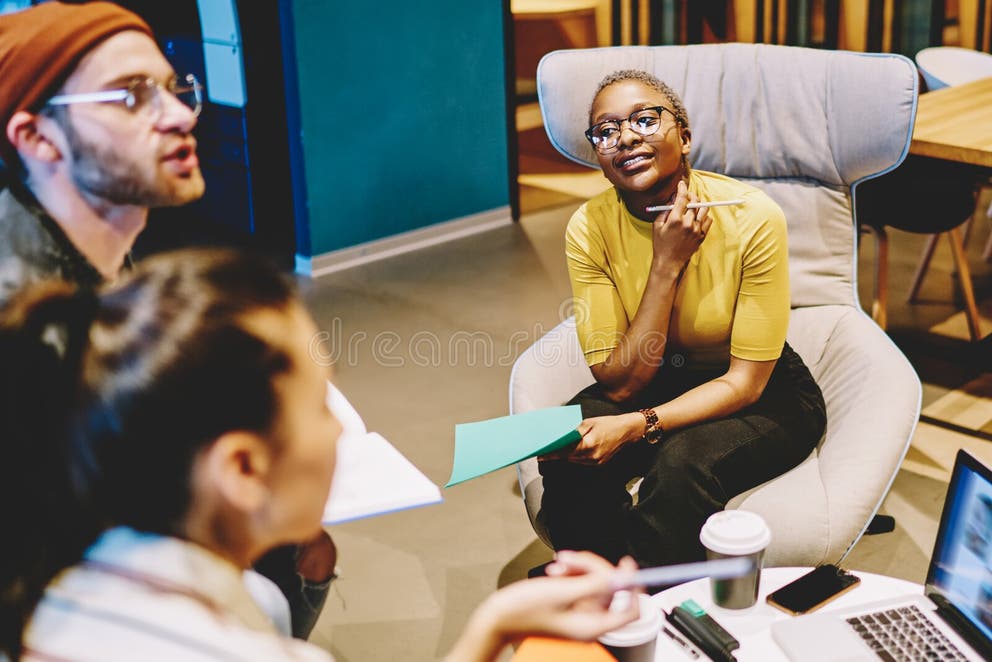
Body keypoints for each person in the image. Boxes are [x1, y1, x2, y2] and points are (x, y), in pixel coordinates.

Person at [0, 248, 640, 660]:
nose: (341, 432)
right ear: (243, 469)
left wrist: (495, 622)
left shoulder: (59, 580)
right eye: (319, 409)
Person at [0, 1, 334, 637]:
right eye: (130, 97)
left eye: (175, 89)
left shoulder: (94, 241)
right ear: (38, 138)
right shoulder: (20, 317)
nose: (180, 115)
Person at [537, 70, 827, 567]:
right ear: (600, 157)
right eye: (606, 131)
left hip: (764, 388)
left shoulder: (753, 216)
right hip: (659, 375)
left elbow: (745, 383)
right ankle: (597, 594)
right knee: (568, 447)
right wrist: (666, 263)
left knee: (682, 464)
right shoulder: (590, 226)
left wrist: (640, 426)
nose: (626, 137)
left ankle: (661, 616)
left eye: (645, 120)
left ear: (685, 137)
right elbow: (621, 383)